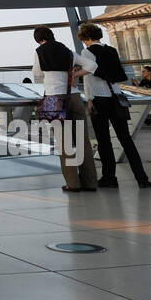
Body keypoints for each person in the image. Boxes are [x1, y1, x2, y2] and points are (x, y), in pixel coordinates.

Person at [74, 24, 151, 189]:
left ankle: (109, 177)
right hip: (116, 97)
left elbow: (88, 79)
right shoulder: (111, 50)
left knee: (104, 141)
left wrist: (89, 100)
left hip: (99, 99)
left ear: (85, 38)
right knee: (126, 140)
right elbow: (116, 74)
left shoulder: (86, 52)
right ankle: (142, 178)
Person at [31, 26, 97, 192]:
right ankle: (90, 183)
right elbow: (91, 65)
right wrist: (75, 74)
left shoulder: (40, 51)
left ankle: (73, 184)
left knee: (64, 143)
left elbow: (37, 74)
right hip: (74, 97)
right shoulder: (67, 51)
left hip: (55, 98)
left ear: (38, 39)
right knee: (83, 141)